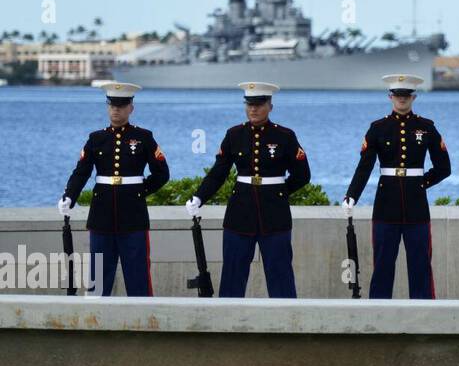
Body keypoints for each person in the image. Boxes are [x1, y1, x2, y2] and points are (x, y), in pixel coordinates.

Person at [187, 82, 310, 298]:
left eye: (259, 104)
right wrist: (199, 197)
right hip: (239, 214)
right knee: (233, 275)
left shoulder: (285, 136)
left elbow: (303, 175)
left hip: (275, 216)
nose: (253, 109)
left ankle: (285, 326)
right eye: (249, 104)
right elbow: (219, 172)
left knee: (280, 275)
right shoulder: (234, 135)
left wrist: (279, 194)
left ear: (270, 106)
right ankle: (228, 327)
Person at [342, 74, 451, 299]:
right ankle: (378, 312)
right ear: (390, 97)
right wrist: (352, 195)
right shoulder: (378, 128)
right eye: (398, 95)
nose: (402, 99)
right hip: (386, 204)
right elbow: (364, 167)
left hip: (416, 206)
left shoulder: (426, 127)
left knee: (420, 264)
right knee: (382, 264)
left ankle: (424, 313)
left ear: (414, 97)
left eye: (406, 95)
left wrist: (421, 184)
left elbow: (444, 167)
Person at [58, 82, 169, 296]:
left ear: (131, 108)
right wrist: (69, 196)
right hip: (102, 215)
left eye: (121, 105)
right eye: (112, 105)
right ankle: (94, 326)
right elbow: (81, 171)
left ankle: (143, 323)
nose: (116, 109)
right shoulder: (96, 138)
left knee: (138, 277)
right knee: (98, 278)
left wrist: (139, 192)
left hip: (133, 216)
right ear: (108, 107)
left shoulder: (144, 137)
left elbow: (162, 173)